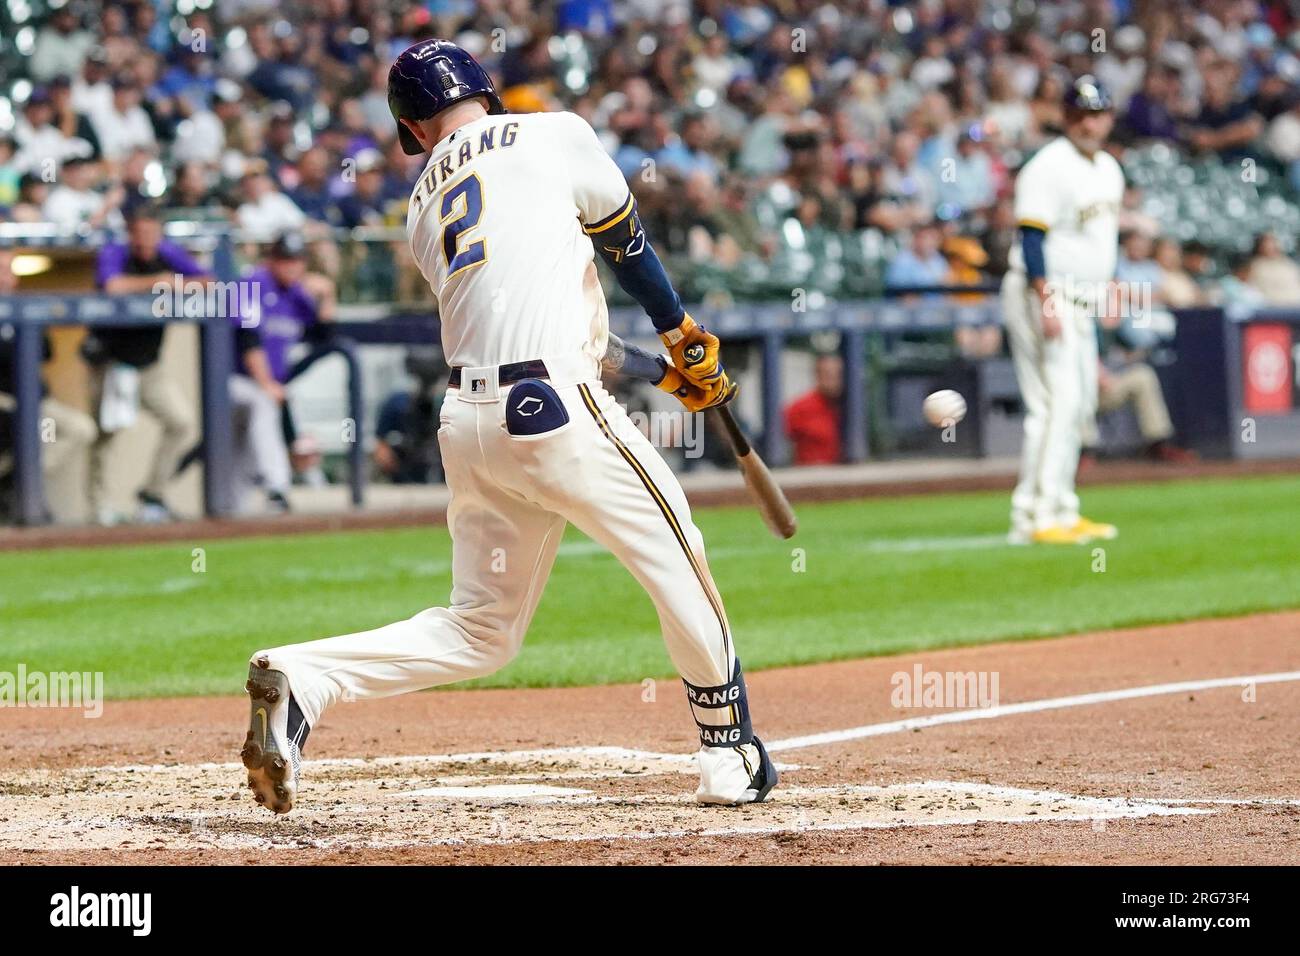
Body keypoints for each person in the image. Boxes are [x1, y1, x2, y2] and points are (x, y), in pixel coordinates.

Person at [239, 39, 775, 815]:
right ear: (485, 90)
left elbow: (546, 325)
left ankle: (303, 675)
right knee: (678, 551)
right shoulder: (553, 130)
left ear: (417, 128)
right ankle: (729, 753)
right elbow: (627, 244)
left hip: (470, 426)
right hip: (557, 408)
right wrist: (678, 330)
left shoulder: (422, 207)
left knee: (482, 629)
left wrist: (667, 375)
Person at [1003, 76, 1121, 546]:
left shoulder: (1110, 168)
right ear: (1067, 118)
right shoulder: (1048, 166)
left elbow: (1100, 240)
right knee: (1053, 405)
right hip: (1043, 294)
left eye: (1099, 113)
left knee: (1079, 405)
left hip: (1081, 300)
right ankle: (1033, 516)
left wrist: (1109, 287)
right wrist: (1045, 299)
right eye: (1082, 114)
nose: (1091, 123)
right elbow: (1032, 238)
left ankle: (1062, 507)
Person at [86, 203, 208, 525]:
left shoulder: (167, 252)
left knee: (181, 423)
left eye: (151, 233)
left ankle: (152, 496)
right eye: (139, 233)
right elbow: (112, 286)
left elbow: (209, 281)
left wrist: (178, 284)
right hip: (113, 364)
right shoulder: (115, 252)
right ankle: (100, 507)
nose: (144, 240)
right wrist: (159, 282)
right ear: (130, 232)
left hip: (150, 366)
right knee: (106, 434)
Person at [229, 233, 329, 514]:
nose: (292, 267)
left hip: (263, 385)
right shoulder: (252, 283)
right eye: (286, 260)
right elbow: (247, 338)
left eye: (297, 261)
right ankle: (277, 488)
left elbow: (324, 335)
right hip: (230, 379)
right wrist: (267, 384)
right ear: (272, 260)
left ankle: (234, 513)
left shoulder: (296, 293)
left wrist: (328, 294)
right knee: (263, 404)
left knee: (241, 456)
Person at [0, 249, 97, 519]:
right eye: (2, 270)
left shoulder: (24, 307)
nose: (7, 278)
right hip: (4, 401)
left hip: (39, 409)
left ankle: (17, 482)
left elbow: (46, 352)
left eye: (10, 271)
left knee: (74, 430)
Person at [784, 353, 843, 465]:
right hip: (811, 476)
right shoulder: (800, 407)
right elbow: (776, 441)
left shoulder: (852, 407)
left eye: (838, 375)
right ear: (817, 375)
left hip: (848, 476)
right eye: (827, 375)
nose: (833, 381)